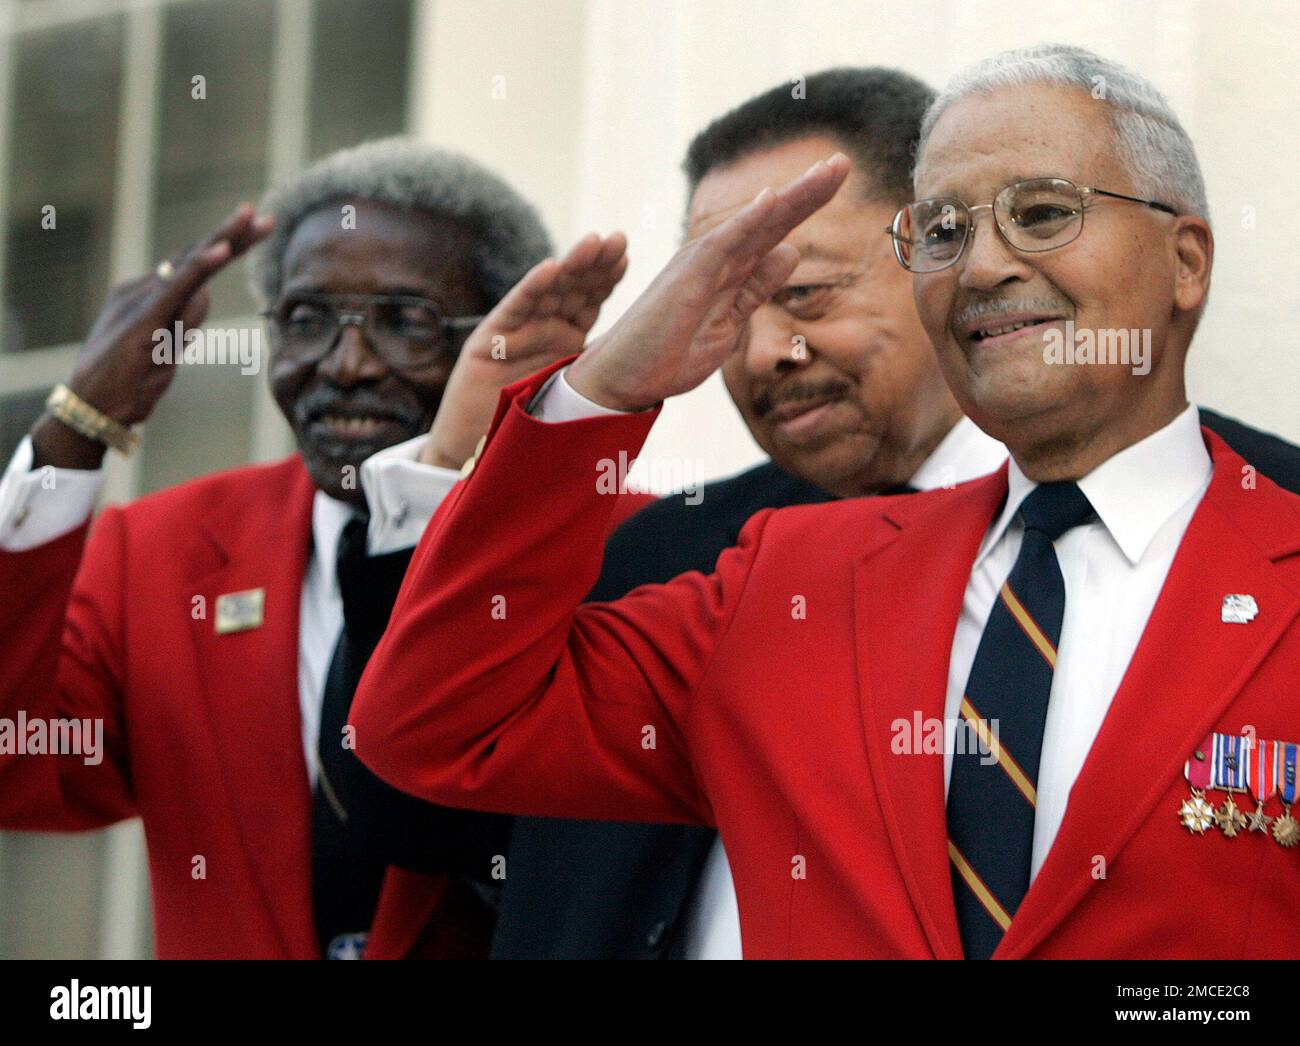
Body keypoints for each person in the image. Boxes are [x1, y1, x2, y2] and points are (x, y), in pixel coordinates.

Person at [352, 47, 1300, 959]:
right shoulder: (790, 578)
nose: (980, 268)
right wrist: (602, 392)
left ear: (1186, 261)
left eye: (1043, 213)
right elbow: (436, 726)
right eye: (941, 232)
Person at [0, 137, 630, 959]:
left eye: (405, 322)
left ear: (509, 336)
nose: (348, 365)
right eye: (307, 321)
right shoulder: (162, 553)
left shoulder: (622, 547)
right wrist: (75, 427)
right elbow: (18, 770)